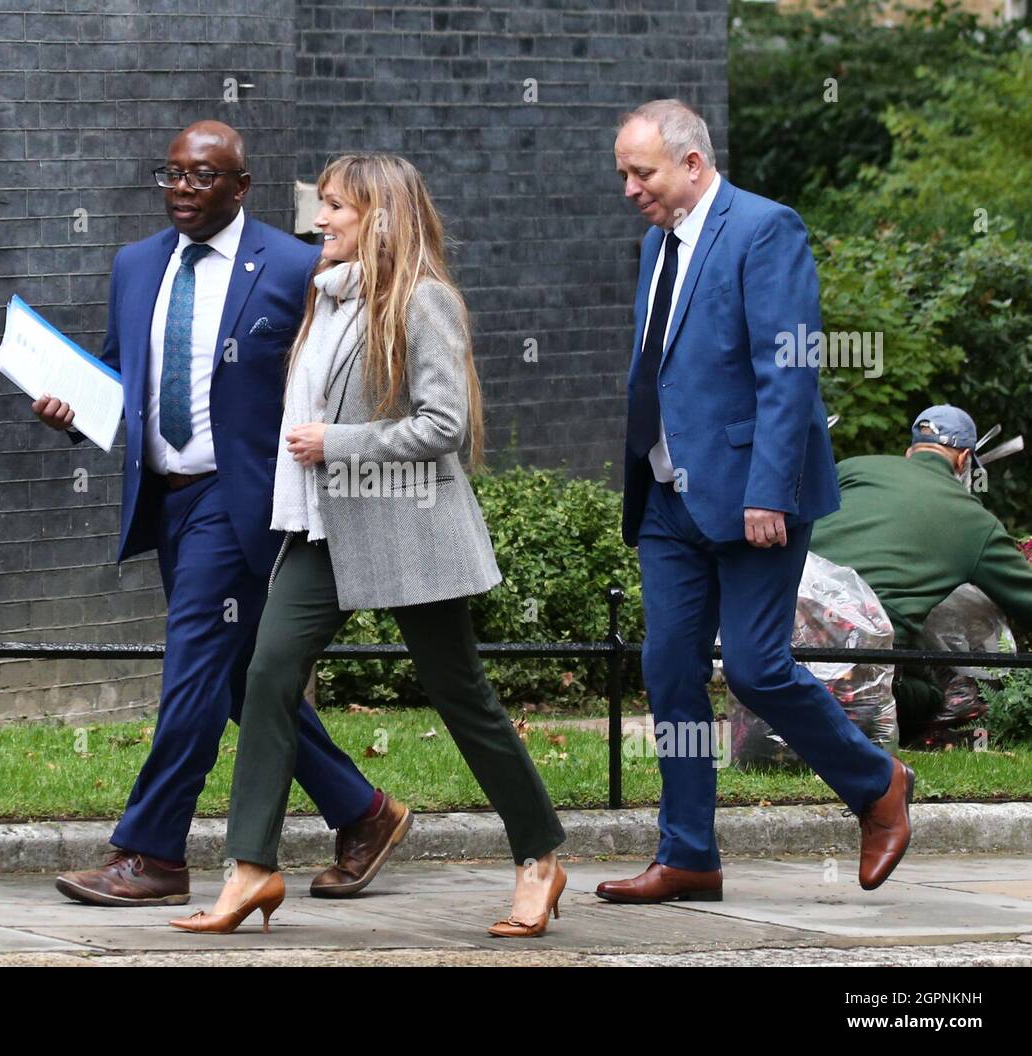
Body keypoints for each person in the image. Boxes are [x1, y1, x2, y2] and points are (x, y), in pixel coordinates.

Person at [169, 153, 568, 938]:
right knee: (266, 676)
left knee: (460, 695)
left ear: (381, 216)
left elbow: (443, 426)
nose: (320, 220)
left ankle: (540, 857)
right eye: (322, 206)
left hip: (409, 523)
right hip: (323, 524)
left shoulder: (424, 301)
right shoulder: (326, 299)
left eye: (337, 209)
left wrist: (339, 442)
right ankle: (250, 869)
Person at [34, 122, 409, 907]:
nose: (182, 189)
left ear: (240, 187)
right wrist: (72, 410)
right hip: (165, 502)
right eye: (171, 175)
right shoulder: (137, 265)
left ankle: (155, 853)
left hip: (238, 502)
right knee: (240, 681)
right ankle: (365, 812)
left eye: (202, 178)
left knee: (195, 670)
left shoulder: (294, 265)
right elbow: (118, 374)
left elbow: (342, 374)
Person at [603, 99, 912, 903]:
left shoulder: (766, 228)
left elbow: (790, 366)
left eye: (643, 173)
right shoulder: (654, 244)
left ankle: (877, 786)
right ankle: (689, 854)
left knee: (755, 667)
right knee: (668, 670)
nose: (631, 188)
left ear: (693, 163)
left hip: (752, 493)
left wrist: (770, 488)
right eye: (624, 175)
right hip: (670, 494)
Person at [810, 405, 1032, 740]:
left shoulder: (854, 468)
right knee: (936, 694)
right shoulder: (973, 520)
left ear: (910, 451)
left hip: (786, 629)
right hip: (858, 661)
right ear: (964, 460)